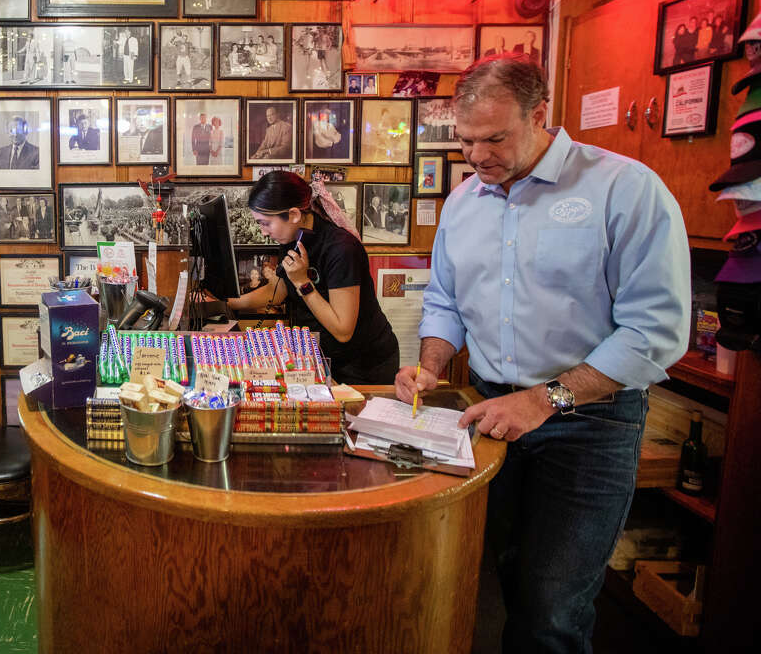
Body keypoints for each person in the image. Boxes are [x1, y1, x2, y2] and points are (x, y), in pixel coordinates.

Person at [393, 57, 689, 653]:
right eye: (466, 140)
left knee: (552, 604)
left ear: (539, 116)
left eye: (495, 138)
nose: (477, 156)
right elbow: (448, 300)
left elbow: (654, 329)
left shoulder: (622, 188)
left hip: (589, 422)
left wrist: (547, 399)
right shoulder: (464, 201)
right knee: (497, 581)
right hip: (489, 412)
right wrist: (432, 363)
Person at [226, 171, 400, 383]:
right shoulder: (291, 239)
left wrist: (303, 283)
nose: (263, 232)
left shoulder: (341, 249)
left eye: (265, 223)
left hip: (362, 366)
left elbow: (343, 330)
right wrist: (227, 303)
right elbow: (279, 290)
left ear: (294, 215)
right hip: (322, 357)